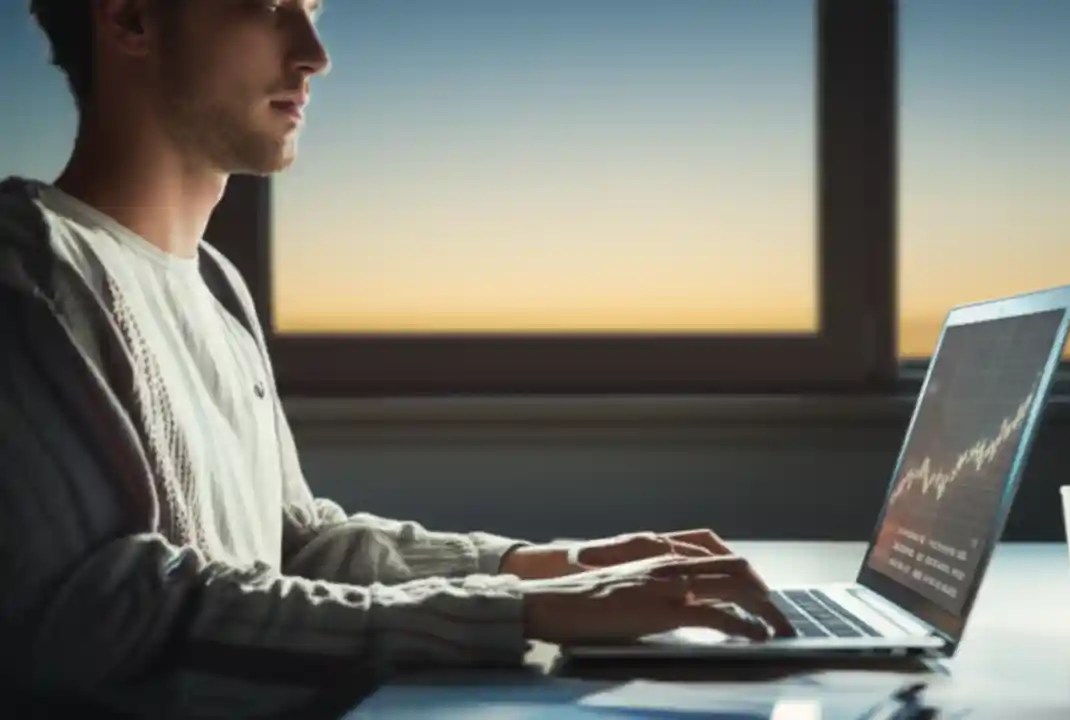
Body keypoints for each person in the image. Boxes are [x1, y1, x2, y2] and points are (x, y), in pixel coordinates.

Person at [0, 1, 793, 716]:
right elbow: (99, 623)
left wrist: (555, 569)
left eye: (312, 9)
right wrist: (521, 616)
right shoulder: (29, 272)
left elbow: (297, 545)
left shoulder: (213, 284)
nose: (314, 53)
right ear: (131, 19)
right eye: (272, 7)